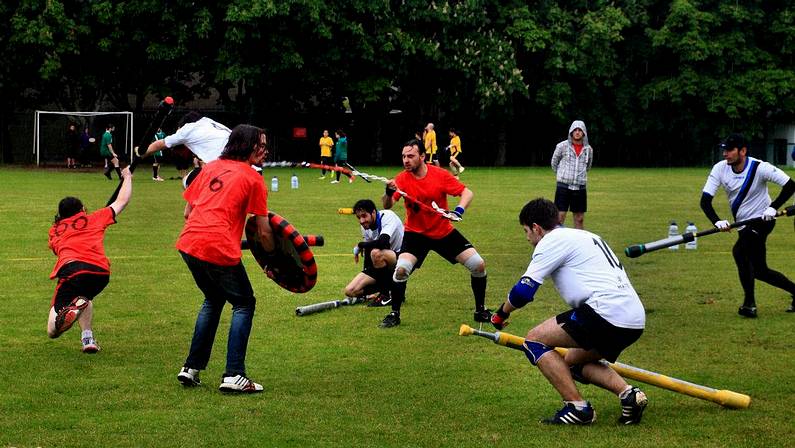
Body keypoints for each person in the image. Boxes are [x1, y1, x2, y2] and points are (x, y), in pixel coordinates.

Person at [489, 198, 647, 425]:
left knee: (534, 341)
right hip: (633, 320)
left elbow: (523, 292)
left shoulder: (551, 241)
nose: (527, 238)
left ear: (536, 228)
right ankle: (629, 396)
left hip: (605, 313)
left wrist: (500, 314)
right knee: (572, 362)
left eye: (526, 231)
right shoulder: (586, 235)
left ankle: (578, 408)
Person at [175, 124, 275, 393]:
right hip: (217, 248)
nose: (265, 151)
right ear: (247, 145)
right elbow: (264, 232)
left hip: (188, 244)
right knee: (244, 303)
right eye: (261, 146)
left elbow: (188, 212)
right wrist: (273, 261)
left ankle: (191, 367)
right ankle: (234, 374)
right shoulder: (254, 179)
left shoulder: (209, 167)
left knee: (214, 298)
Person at [379, 139, 489, 328]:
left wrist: (458, 211)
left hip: (443, 231)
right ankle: (394, 314)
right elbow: (387, 206)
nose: (406, 160)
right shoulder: (401, 179)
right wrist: (388, 193)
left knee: (478, 265)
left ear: (422, 157)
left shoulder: (439, 175)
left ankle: (480, 311)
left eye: (411, 156)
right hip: (415, 235)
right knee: (401, 269)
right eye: (404, 156)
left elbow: (467, 193)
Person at [700, 133, 795, 317]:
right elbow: (705, 201)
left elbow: (790, 185)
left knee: (739, 251)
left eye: (729, 150)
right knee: (760, 271)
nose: (725, 154)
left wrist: (773, 208)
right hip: (744, 225)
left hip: (763, 221)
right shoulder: (720, 169)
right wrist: (717, 221)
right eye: (724, 150)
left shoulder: (760, 168)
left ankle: (749, 305)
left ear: (742, 151)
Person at [46, 167, 134, 353]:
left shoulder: (55, 230)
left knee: (52, 331)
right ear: (82, 209)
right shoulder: (96, 218)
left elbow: (58, 249)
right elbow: (122, 200)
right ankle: (88, 339)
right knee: (83, 298)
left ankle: (67, 314)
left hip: (73, 271)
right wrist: (127, 177)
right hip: (100, 273)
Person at [141, 111, 232, 184]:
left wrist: (141, 151)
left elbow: (161, 144)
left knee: (187, 181)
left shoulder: (188, 128)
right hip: (241, 165)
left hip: (222, 169)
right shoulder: (209, 121)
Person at [343, 199, 404, 307]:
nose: (361, 221)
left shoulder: (387, 216)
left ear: (373, 212)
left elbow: (383, 242)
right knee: (350, 291)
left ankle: (386, 295)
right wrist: (367, 273)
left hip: (401, 260)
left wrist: (361, 245)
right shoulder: (365, 227)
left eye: (364, 216)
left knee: (377, 253)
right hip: (383, 265)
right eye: (358, 217)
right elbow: (368, 252)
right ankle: (386, 290)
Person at [551, 120, 593, 229]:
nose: (577, 132)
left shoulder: (588, 149)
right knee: (559, 217)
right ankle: (558, 243)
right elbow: (554, 163)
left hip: (580, 188)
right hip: (563, 187)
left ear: (584, 133)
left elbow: (588, 166)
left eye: (580, 130)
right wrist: (562, 175)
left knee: (579, 218)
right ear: (571, 132)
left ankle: (578, 243)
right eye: (575, 130)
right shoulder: (562, 146)